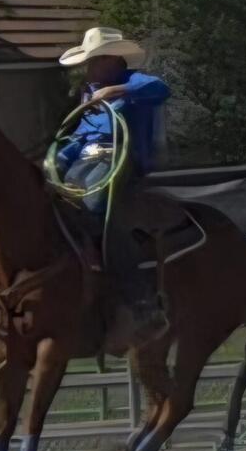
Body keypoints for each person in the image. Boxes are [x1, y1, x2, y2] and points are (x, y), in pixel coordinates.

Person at [56, 27, 171, 336]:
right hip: (86, 159)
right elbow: (80, 136)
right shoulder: (90, 93)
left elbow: (161, 88)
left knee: (94, 203)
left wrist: (115, 92)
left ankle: (134, 294)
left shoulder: (133, 83)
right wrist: (56, 160)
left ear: (111, 59)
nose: (88, 68)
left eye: (93, 61)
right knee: (54, 201)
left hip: (121, 158)